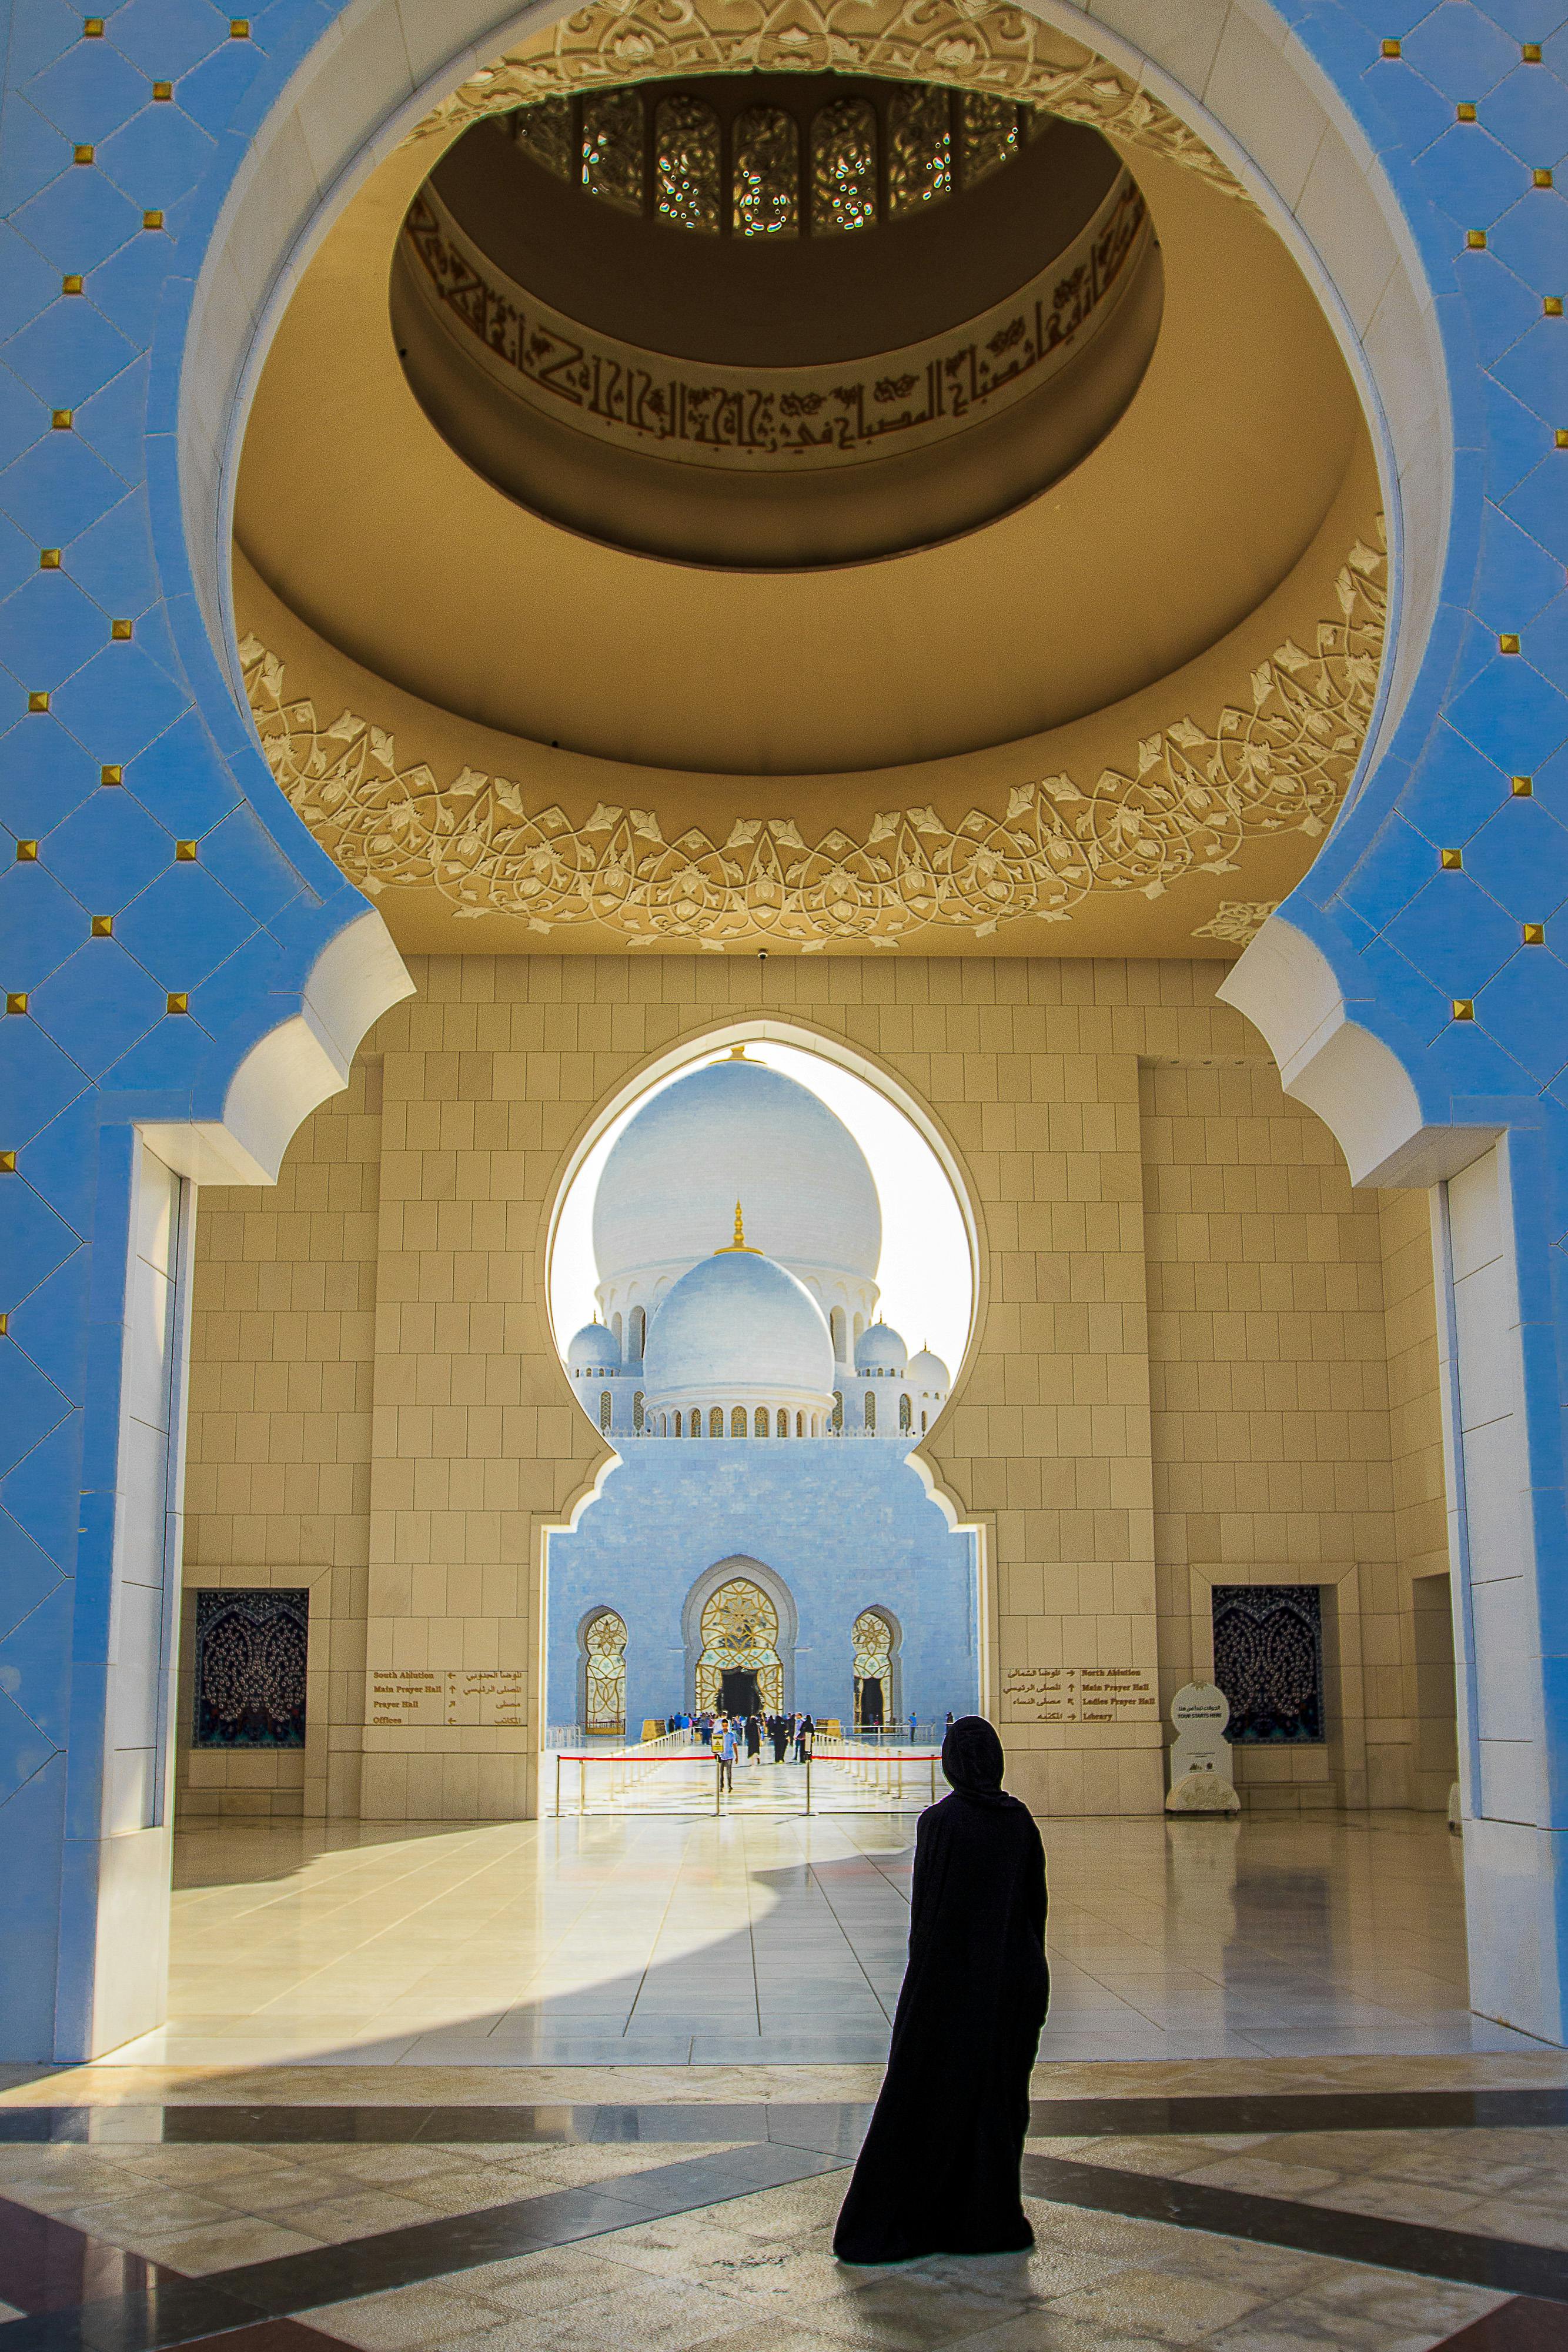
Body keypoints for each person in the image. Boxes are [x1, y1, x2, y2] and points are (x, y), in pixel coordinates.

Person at [832, 1716, 1049, 2263]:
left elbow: (926, 1915)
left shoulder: (941, 1822)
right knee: (998, 2100)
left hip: (950, 1985)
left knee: (931, 2098)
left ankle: (919, 2215)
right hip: (1011, 1982)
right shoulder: (1018, 1820)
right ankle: (986, 2217)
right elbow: (1034, 1909)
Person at [718, 1715, 737, 1792]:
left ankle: (729, 1785)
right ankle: (721, 1786)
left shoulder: (732, 1735)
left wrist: (737, 1756)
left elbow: (735, 1745)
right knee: (721, 1772)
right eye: (724, 1726)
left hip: (729, 1755)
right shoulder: (719, 1734)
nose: (725, 1727)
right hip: (721, 1755)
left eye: (726, 1726)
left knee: (729, 1772)